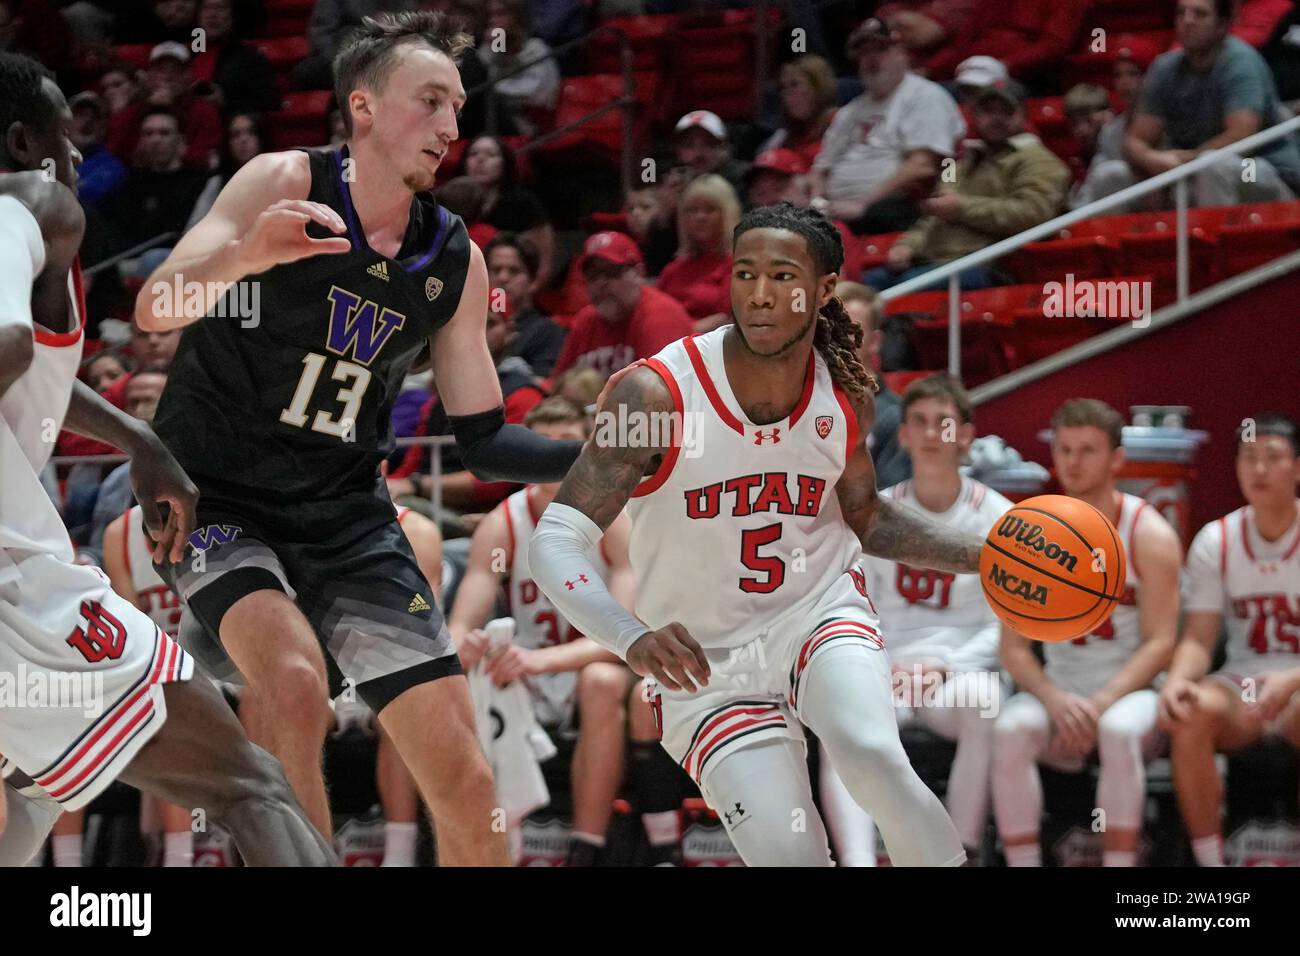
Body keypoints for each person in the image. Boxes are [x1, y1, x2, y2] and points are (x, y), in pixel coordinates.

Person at [135, 11, 587, 866]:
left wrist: (602, 459)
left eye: (458, 106)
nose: (453, 126)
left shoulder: (456, 259)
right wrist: (243, 257)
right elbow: (154, 306)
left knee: (465, 777)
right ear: (365, 107)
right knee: (294, 686)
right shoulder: (280, 180)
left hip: (346, 515)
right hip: (214, 498)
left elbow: (484, 441)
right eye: (431, 102)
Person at [529, 202, 989, 867]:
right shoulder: (655, 397)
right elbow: (556, 539)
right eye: (745, 273)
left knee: (872, 756)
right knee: (788, 854)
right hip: (704, 662)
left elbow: (868, 515)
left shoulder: (846, 390)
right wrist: (629, 637)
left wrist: (985, 556)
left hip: (816, 615)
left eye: (783, 275)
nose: (762, 293)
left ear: (825, 288)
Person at [0, 50, 332, 867]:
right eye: (66, 137)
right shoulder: (29, 203)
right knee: (251, 786)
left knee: (26, 800)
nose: (79, 157)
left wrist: (139, 440)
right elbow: (6, 343)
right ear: (19, 142)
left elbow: (34, 372)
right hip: (16, 587)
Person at [823, 375, 1011, 865]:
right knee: (835, 713)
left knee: (986, 706)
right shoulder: (878, 515)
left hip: (960, 672)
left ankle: (962, 850)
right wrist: (885, 666)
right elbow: (856, 605)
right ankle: (858, 860)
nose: (932, 434)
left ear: (967, 436)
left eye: (944, 424)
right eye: (920, 423)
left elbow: (1002, 626)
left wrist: (944, 667)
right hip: (889, 666)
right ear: (902, 435)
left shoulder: (1001, 519)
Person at [448, 397, 638, 866]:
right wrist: (468, 645)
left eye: (564, 443)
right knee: (462, 685)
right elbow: (458, 626)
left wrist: (541, 661)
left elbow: (625, 637)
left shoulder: (614, 516)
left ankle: (586, 848)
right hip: (524, 667)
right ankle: (488, 843)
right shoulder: (503, 523)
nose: (553, 456)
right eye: (543, 444)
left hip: (589, 661)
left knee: (603, 683)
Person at [993, 399, 1183, 867]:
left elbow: (1163, 641)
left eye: (1088, 450)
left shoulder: (1149, 532)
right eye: (1065, 449)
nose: (1073, 462)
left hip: (1130, 694)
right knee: (1009, 729)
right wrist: (1056, 700)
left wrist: (1099, 705)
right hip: (1059, 693)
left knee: (1118, 732)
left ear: (1117, 459)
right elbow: (1012, 648)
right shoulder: (1029, 534)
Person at [1160, 413, 1300, 867]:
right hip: (1242, 683)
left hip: (1298, 683)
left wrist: (1291, 681)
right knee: (1189, 712)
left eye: (1272, 458)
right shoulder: (1215, 539)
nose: (1258, 469)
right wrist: (1178, 679)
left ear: (1297, 467)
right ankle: (1211, 862)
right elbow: (1199, 637)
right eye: (1248, 457)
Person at [866, 80, 1069, 292]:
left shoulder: (1042, 162)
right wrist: (907, 245)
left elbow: (1033, 214)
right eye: (988, 111)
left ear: (1023, 115)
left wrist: (961, 208)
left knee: (896, 292)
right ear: (976, 115)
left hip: (983, 266)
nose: (996, 118)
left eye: (1006, 111)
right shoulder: (960, 162)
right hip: (934, 261)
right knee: (863, 287)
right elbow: (933, 213)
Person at [1115, 0, 1300, 207]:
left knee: (1213, 167)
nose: (1187, 21)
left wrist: (1187, 162)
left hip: (1262, 169)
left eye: (1199, 14)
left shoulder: (1241, 62)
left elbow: (1242, 138)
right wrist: (1152, 160)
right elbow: (1135, 140)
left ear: (1222, 24)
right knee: (1111, 175)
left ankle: (1207, 239)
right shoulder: (1164, 67)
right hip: (1189, 169)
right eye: (1181, 13)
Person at [810, 18, 964, 236]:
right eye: (864, 53)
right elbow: (820, 169)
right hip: (839, 211)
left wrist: (862, 204)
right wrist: (817, 203)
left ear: (902, 54)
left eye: (880, 50)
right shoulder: (851, 110)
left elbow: (923, 165)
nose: (871, 59)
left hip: (894, 211)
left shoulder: (925, 96)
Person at [552, 231, 693, 379]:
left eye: (612, 272)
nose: (601, 283)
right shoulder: (585, 320)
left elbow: (661, 392)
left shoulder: (662, 316)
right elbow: (557, 386)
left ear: (638, 273)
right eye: (592, 276)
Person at [835, 281, 910, 489]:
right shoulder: (806, 403)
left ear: (875, 342)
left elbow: (889, 501)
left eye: (851, 329)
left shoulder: (895, 415)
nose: (838, 339)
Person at [459, 134, 554, 291]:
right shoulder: (447, 203)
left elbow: (542, 265)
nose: (480, 160)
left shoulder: (524, 203)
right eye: (473, 154)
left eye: (491, 155)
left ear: (505, 163)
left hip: (511, 291)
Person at [656, 174, 740, 333]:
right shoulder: (673, 270)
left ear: (727, 215)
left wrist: (677, 335)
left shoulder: (737, 266)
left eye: (710, 209)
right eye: (692, 210)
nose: (700, 217)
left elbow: (727, 318)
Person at [484, 232, 566, 376]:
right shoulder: (469, 327)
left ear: (533, 281)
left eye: (514, 271)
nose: (503, 278)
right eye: (496, 270)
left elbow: (545, 388)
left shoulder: (548, 333)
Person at [476, 0, 560, 138]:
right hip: (489, 124)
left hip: (528, 127)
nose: (492, 21)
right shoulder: (489, 51)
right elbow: (487, 73)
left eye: (500, 14)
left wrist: (493, 91)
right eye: (489, 16)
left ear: (518, 17)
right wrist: (497, 46)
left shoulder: (536, 49)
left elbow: (537, 96)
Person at [191, 0, 280, 117]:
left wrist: (225, 103)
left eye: (220, 8)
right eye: (206, 8)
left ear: (232, 16)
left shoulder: (251, 59)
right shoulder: (185, 56)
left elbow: (268, 102)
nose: (212, 14)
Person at [757, 55, 839, 169]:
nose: (786, 94)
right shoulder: (782, 137)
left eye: (794, 84)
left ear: (818, 87)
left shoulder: (841, 122)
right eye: (783, 88)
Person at [672, 110, 749, 194]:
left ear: (725, 148)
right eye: (689, 146)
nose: (698, 154)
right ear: (679, 152)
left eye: (708, 144)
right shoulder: (674, 185)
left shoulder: (747, 180)